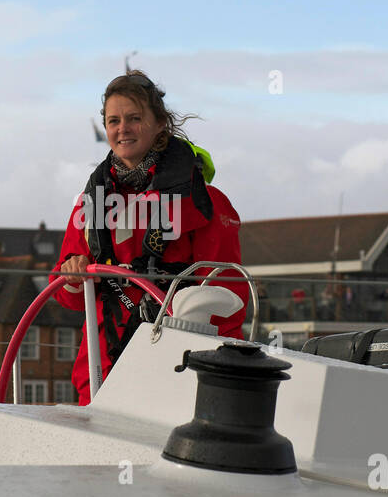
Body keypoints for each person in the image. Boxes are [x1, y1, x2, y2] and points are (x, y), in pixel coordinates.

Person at [51, 71, 247, 404]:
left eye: (134, 118)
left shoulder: (205, 202)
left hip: (180, 372)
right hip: (102, 374)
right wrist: (73, 274)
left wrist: (215, 372)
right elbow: (67, 296)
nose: (122, 128)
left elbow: (228, 298)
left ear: (160, 125)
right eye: (113, 120)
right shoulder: (90, 204)